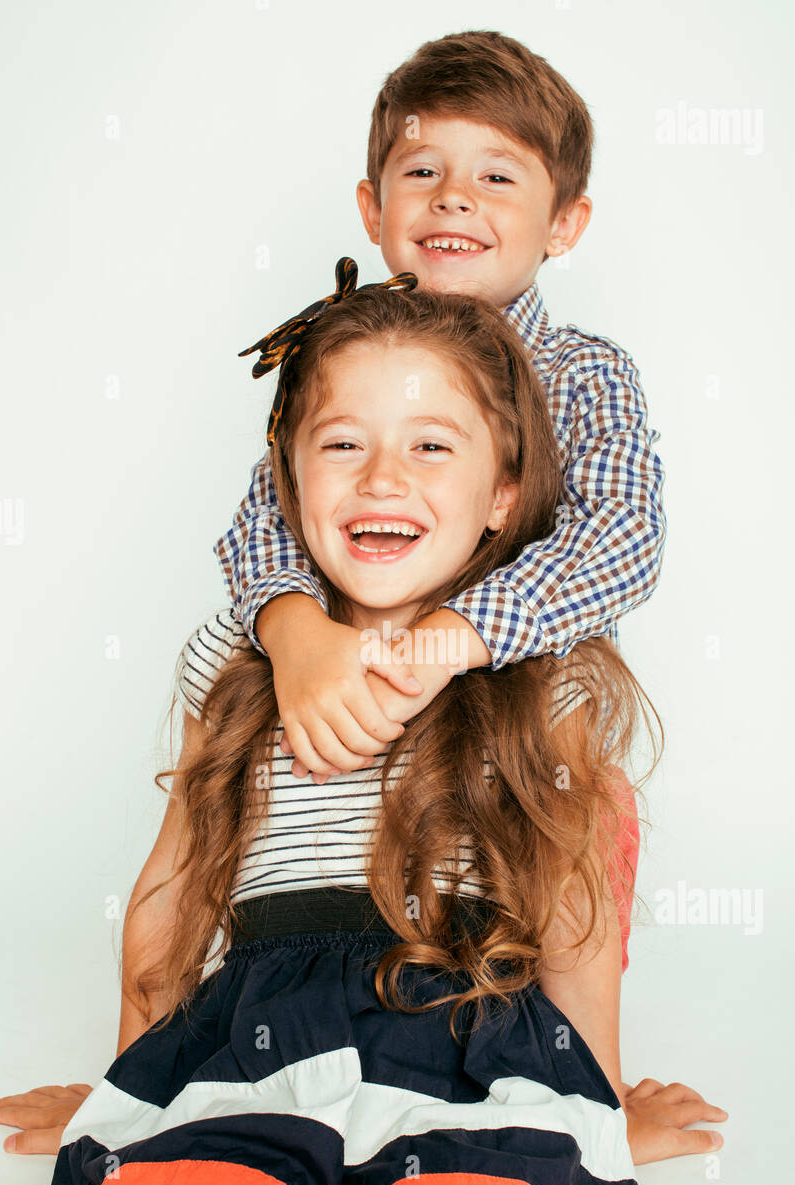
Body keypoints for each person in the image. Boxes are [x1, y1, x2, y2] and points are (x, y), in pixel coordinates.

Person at [0, 270, 726, 1185]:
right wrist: (134, 1095)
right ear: (288, 487)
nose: (384, 475)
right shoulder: (243, 655)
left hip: (465, 1034)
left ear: (502, 497)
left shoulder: (537, 671)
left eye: (431, 445)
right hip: (259, 1035)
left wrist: (590, 1111)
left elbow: (577, 912)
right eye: (343, 444)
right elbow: (168, 897)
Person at [216, 29, 667, 791]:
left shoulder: (585, 374)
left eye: (497, 177)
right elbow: (270, 516)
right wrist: (293, 632)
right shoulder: (336, 364)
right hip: (353, 736)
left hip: (532, 759)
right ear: (373, 207)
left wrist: (446, 642)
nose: (453, 195)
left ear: (565, 222)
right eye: (423, 169)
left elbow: (622, 533)